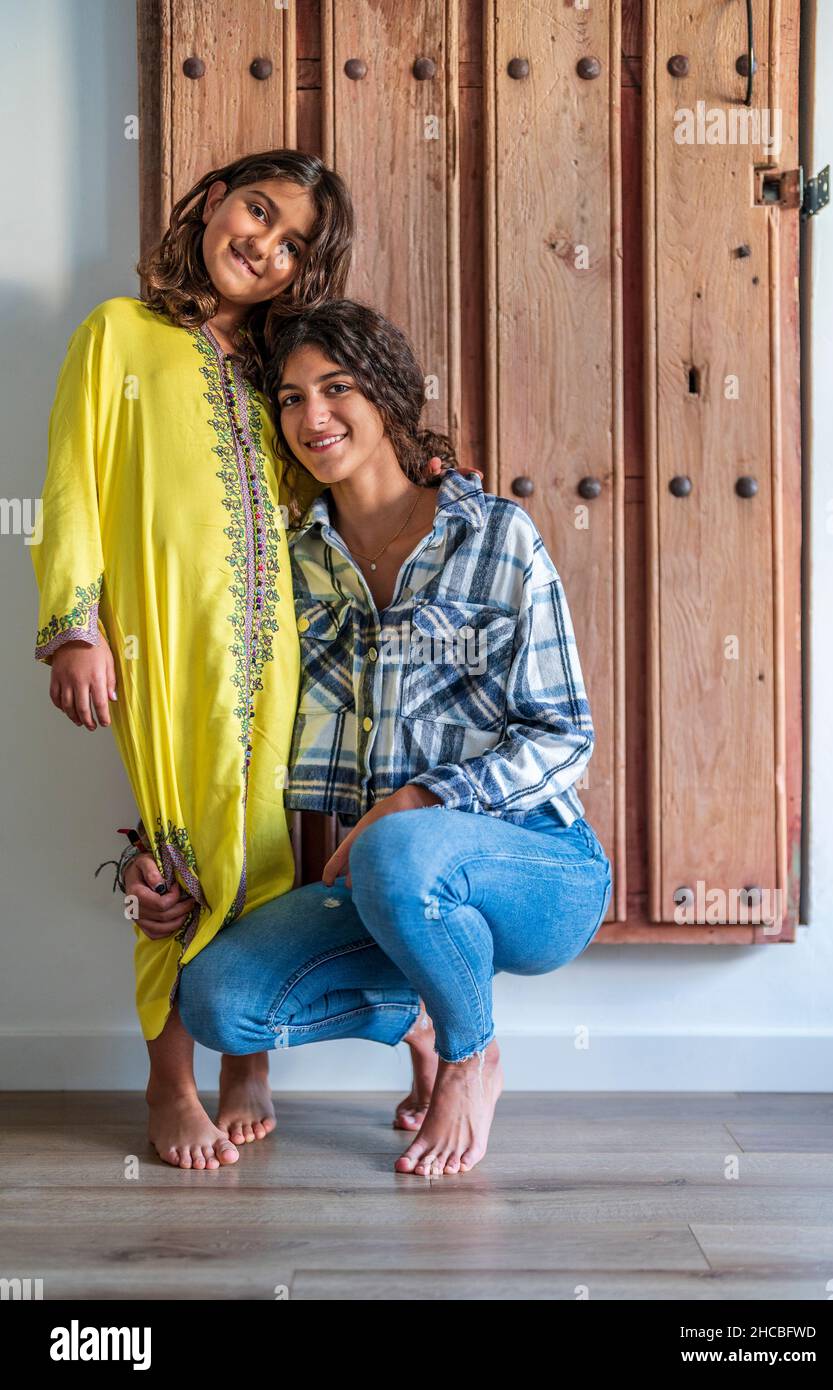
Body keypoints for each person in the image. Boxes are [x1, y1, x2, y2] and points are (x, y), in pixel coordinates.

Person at [168, 299, 613, 1177]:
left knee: (398, 845)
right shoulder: (292, 568)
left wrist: (419, 798)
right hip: (385, 890)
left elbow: (566, 737)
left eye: (336, 388)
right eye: (290, 398)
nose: (312, 416)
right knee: (217, 999)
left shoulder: (494, 537)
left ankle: (468, 1053)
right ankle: (420, 1007)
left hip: (541, 869)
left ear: (389, 396)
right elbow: (238, 730)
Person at [32, 150, 355, 1170]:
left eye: (292, 243)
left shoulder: (278, 371)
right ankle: (170, 1077)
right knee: (178, 844)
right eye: (257, 211)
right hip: (159, 638)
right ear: (214, 200)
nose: (263, 244)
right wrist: (75, 625)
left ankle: (246, 1059)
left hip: (279, 640)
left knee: (266, 838)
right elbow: (75, 483)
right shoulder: (118, 335)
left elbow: (315, 491)